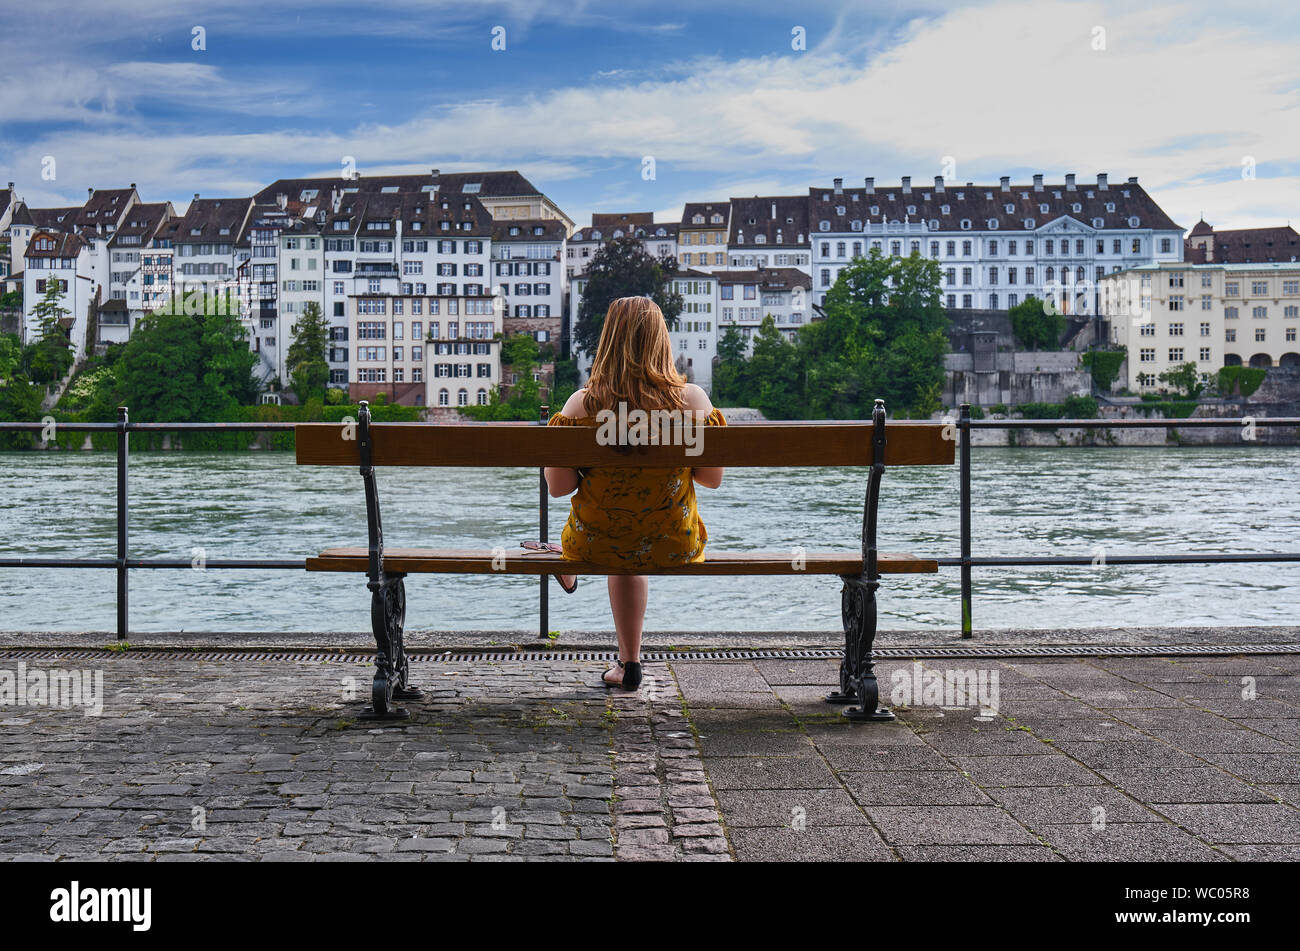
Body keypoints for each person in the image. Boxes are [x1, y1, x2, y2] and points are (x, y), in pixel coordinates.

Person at [543, 297, 726, 690]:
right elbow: (711, 478)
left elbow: (558, 488)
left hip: (597, 543)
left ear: (608, 341)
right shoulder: (692, 401)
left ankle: (628, 662)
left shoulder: (582, 404)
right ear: (662, 341)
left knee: (615, 541)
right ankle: (630, 664)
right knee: (634, 541)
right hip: (675, 543)